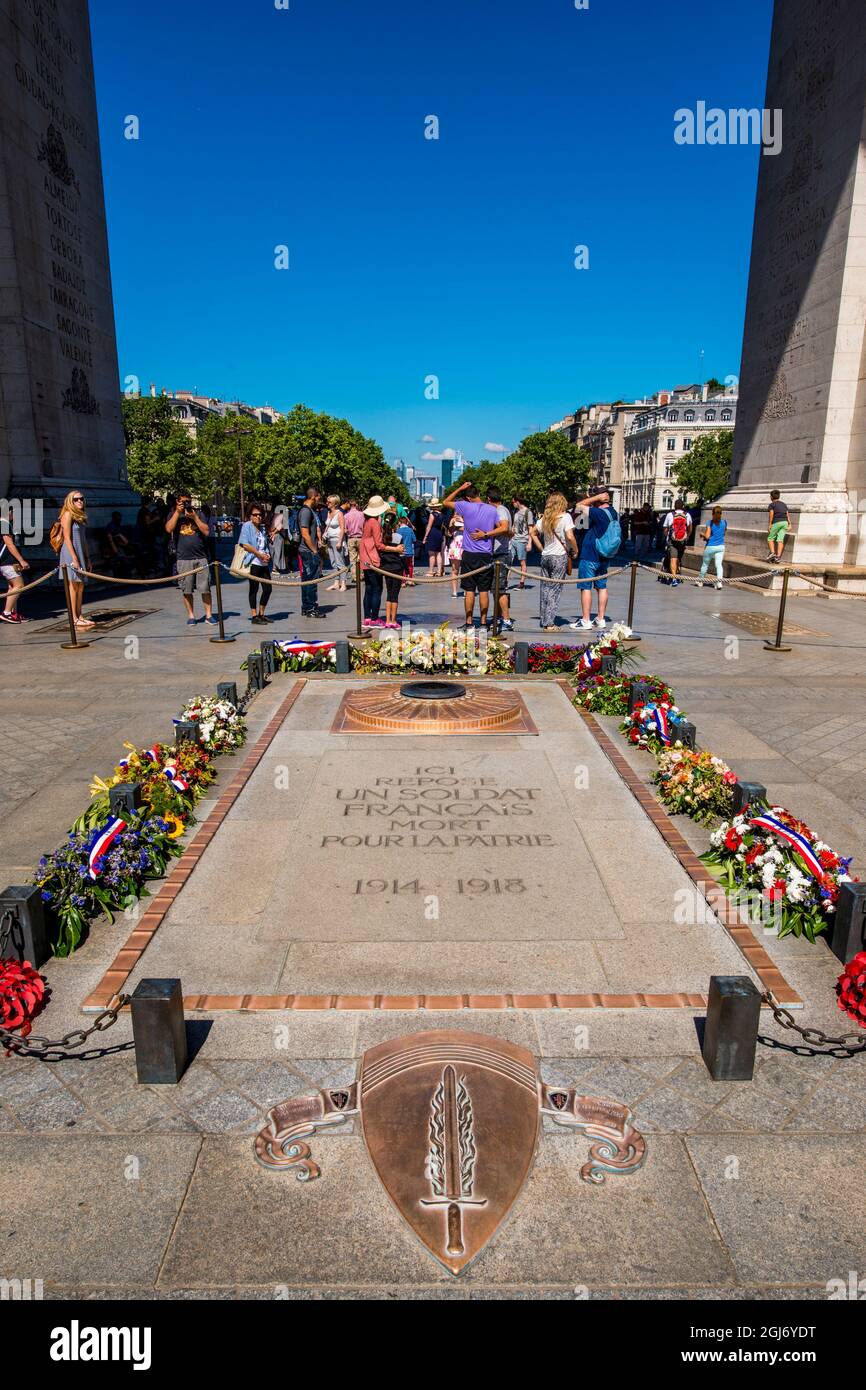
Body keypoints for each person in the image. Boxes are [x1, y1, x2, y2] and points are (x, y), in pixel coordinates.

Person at [441, 480, 508, 629]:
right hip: (485, 554)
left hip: (469, 554)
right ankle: (483, 623)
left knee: (469, 590)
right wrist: (486, 534)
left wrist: (460, 488)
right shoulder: (491, 510)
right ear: (479, 494)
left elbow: (445, 502)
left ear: (469, 498)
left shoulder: (465, 506)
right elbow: (503, 528)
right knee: (484, 590)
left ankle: (469, 622)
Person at [529, 493, 577, 631]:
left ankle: (544, 618)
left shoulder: (545, 518)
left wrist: (541, 548)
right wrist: (575, 549)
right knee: (555, 589)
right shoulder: (565, 517)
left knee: (545, 587)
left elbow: (532, 533)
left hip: (546, 556)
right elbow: (569, 536)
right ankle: (549, 623)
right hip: (559, 556)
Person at [571, 489, 619, 628]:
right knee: (601, 586)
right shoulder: (614, 513)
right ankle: (601, 618)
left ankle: (586, 620)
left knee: (585, 586)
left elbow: (578, 506)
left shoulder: (598, 513)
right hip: (604, 555)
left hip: (591, 554)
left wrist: (594, 498)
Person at [166, 492, 215, 625]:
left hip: (201, 556)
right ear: (178, 502)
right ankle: (191, 616)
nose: (186, 503)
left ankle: (209, 615)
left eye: (188, 501)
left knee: (205, 587)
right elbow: (168, 529)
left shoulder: (198, 513)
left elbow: (206, 531)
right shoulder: (173, 514)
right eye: (183, 501)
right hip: (183, 558)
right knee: (186, 589)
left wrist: (195, 518)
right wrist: (177, 512)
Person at [57, 489, 94, 630]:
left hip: (80, 552)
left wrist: (87, 557)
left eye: (81, 498)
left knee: (81, 586)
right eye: (76, 499)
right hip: (70, 553)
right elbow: (66, 538)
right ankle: (74, 618)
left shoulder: (80, 516)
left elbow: (83, 539)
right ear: (70, 501)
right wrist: (74, 558)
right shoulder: (67, 514)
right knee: (73, 586)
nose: (80, 501)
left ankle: (80, 615)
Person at [238, 502, 273, 624]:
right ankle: (254, 616)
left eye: (260, 515)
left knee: (268, 589)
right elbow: (244, 544)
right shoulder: (247, 526)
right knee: (254, 588)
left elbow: (265, 545)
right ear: (250, 515)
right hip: (253, 561)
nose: (258, 517)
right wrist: (258, 554)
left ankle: (261, 613)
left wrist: (267, 554)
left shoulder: (262, 528)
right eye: (255, 514)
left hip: (263, 562)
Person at [487, 487, 514, 630]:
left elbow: (504, 528)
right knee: (495, 588)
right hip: (498, 553)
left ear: (489, 499)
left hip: (501, 553)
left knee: (500, 588)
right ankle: (498, 618)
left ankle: (507, 620)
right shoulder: (502, 509)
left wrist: (486, 534)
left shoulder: (500, 510)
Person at [297, 486, 326, 619]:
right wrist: (314, 550)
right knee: (311, 581)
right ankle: (310, 607)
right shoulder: (306, 512)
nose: (319, 500)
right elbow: (305, 533)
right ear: (313, 497)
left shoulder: (309, 511)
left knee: (307, 580)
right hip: (308, 551)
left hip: (308, 550)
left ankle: (307, 606)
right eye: (318, 497)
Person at [360, 494, 388, 626]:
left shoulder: (366, 521)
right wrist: (394, 549)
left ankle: (367, 617)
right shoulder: (375, 522)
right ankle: (375, 618)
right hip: (373, 559)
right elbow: (379, 544)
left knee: (369, 588)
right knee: (377, 589)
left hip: (365, 557)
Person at [378, 511, 406, 628]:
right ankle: (393, 621)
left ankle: (387, 620)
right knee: (395, 595)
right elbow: (402, 554)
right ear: (396, 524)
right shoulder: (398, 537)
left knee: (389, 594)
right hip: (396, 567)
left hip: (386, 567)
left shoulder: (381, 537)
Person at [0, 517, 29, 624]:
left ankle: (13, 613)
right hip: (7, 561)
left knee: (12, 587)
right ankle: (7, 613)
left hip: (8, 562)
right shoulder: (4, 523)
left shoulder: (5, 523)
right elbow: (9, 543)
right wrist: (21, 560)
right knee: (19, 585)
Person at [662, 497, 692, 586]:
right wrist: (687, 537)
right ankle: (677, 574)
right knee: (678, 558)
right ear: (683, 506)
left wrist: (668, 537)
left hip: (673, 540)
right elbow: (690, 528)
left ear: (674, 506)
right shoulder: (687, 515)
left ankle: (674, 578)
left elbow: (665, 528)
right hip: (682, 540)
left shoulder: (670, 515)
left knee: (673, 558)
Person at [696, 505, 727, 589]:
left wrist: (702, 535)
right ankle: (719, 583)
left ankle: (700, 581)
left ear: (712, 513)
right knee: (719, 565)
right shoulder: (724, 522)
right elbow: (723, 533)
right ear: (721, 513)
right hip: (720, 547)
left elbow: (707, 536)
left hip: (710, 547)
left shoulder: (710, 523)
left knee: (705, 565)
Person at [323, 495, 347, 592]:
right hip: (329, 540)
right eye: (327, 502)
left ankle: (343, 583)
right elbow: (327, 526)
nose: (327, 503)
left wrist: (340, 541)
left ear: (335, 503)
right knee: (333, 563)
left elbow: (342, 529)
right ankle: (336, 583)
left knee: (340, 562)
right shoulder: (329, 513)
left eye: (329, 502)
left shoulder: (339, 513)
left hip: (337, 540)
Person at [510, 496, 534, 588]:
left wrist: (529, 543)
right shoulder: (516, 512)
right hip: (513, 539)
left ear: (518, 501)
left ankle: (521, 582)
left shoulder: (528, 512)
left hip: (522, 540)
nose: (513, 504)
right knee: (509, 560)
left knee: (522, 562)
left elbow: (530, 529)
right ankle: (505, 581)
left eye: (513, 502)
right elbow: (514, 526)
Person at [343, 498, 365, 585]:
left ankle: (355, 577)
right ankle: (361, 575)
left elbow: (345, 529)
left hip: (351, 538)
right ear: (356, 505)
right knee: (362, 558)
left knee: (352, 559)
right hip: (360, 538)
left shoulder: (346, 516)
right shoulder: (362, 514)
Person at [423, 506, 446, 577]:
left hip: (433, 533)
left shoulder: (432, 514)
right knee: (439, 553)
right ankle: (439, 571)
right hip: (439, 533)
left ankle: (431, 571)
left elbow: (429, 526)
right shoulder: (442, 515)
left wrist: (425, 537)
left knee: (431, 553)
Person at [767, 489, 790, 563]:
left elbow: (771, 514)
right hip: (785, 523)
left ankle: (773, 553)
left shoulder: (772, 504)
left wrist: (770, 524)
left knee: (770, 538)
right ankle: (778, 557)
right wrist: (789, 523)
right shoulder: (784, 504)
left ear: (771, 497)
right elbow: (787, 514)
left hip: (777, 522)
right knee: (780, 540)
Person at [396, 514, 417, 585]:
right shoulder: (410, 530)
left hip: (401, 552)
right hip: (409, 551)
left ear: (399, 523)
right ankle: (410, 580)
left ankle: (403, 582)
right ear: (407, 523)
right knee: (410, 565)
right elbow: (414, 539)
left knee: (402, 566)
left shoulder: (398, 531)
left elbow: (395, 542)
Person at [447, 516, 464, 597]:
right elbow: (449, 532)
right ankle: (454, 592)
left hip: (465, 546)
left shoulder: (467, 519)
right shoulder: (453, 520)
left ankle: (466, 590)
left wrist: (462, 521)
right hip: (456, 547)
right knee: (455, 570)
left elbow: (467, 529)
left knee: (466, 570)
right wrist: (452, 522)